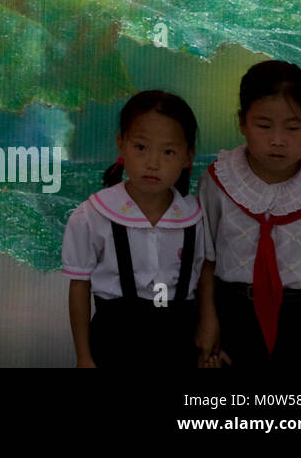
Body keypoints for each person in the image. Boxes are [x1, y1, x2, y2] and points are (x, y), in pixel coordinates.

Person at [197, 61, 301, 367]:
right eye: (263, 125)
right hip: (233, 314)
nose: (277, 139)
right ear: (242, 122)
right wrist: (209, 320)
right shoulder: (218, 181)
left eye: (292, 127)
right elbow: (207, 260)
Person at [62, 90, 205, 367]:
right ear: (121, 144)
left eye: (168, 151)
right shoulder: (92, 214)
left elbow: (205, 278)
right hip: (115, 338)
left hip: (180, 339)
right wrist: (83, 356)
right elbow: (79, 285)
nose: (152, 163)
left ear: (188, 156)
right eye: (141, 147)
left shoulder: (196, 216)